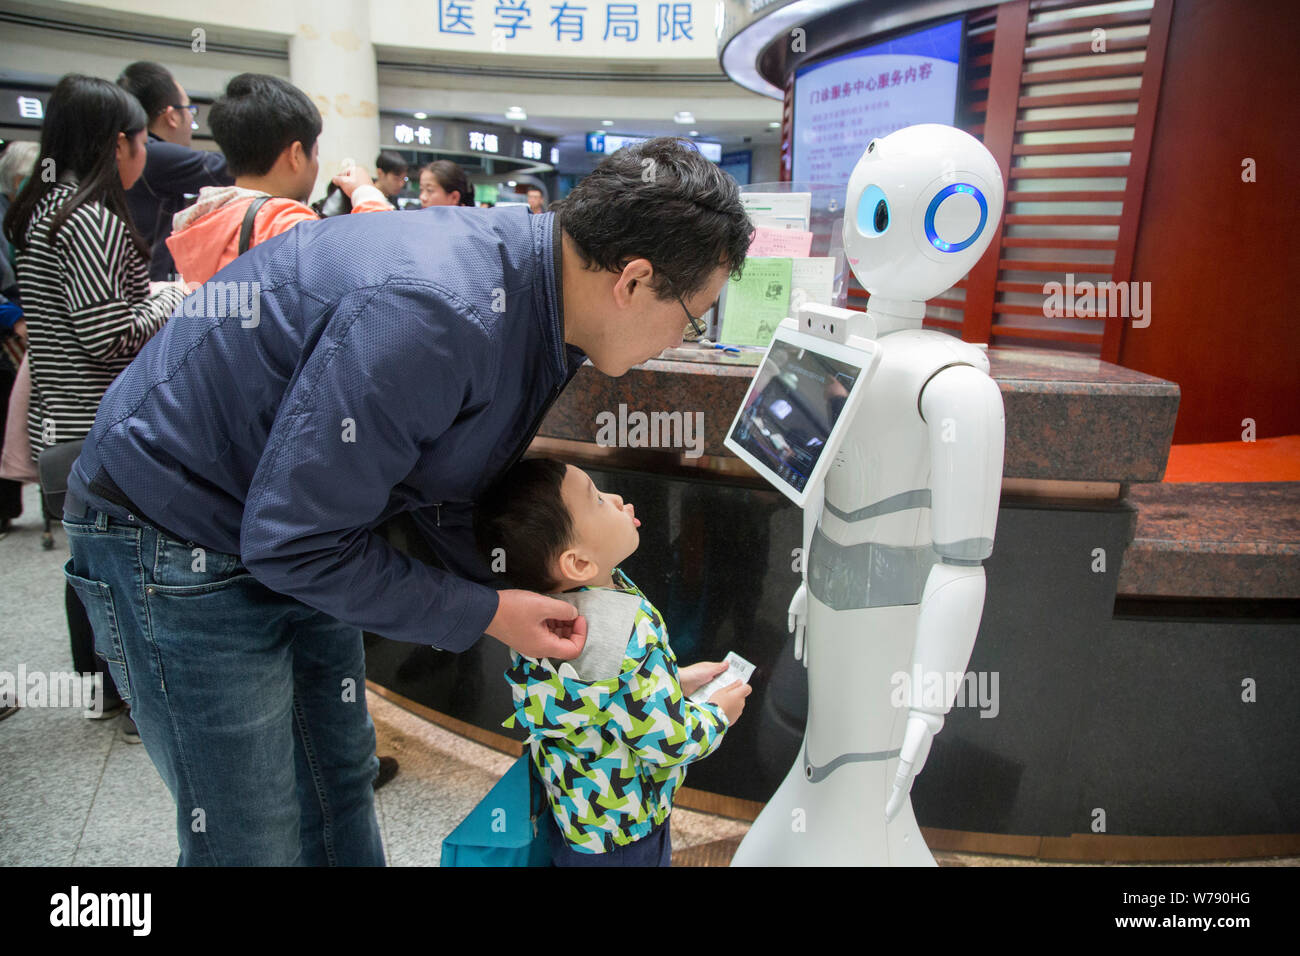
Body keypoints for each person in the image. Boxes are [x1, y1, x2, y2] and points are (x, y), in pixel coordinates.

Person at [62, 136, 751, 865]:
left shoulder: (539, 298)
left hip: (301, 526)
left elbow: (436, 480)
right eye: (693, 313)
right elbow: (293, 541)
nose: (686, 337)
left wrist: (508, 596)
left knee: (336, 785)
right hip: (173, 533)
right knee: (249, 834)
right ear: (634, 279)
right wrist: (486, 610)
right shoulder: (439, 313)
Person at [3, 74, 189, 735]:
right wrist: (177, 293)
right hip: (102, 427)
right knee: (130, 569)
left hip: (64, 421)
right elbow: (111, 336)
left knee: (91, 565)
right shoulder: (89, 220)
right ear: (119, 144)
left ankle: (100, 690)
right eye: (142, 139)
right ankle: (142, 701)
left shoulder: (42, 211)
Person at [475, 458, 751, 865]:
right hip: (627, 831)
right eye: (599, 500)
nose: (618, 499)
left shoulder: (540, 621)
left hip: (577, 816)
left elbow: (613, 700)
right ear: (580, 563)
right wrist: (718, 715)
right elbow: (670, 742)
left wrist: (674, 679)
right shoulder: (624, 635)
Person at [166, 73, 390, 287]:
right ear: (295, 155)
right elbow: (383, 257)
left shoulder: (201, 222)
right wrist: (365, 192)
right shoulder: (284, 225)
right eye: (315, 153)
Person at [117, 61, 233, 280]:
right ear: (171, 116)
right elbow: (232, 169)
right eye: (189, 109)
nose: (191, 118)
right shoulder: (152, 155)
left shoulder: (138, 153)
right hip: (145, 297)